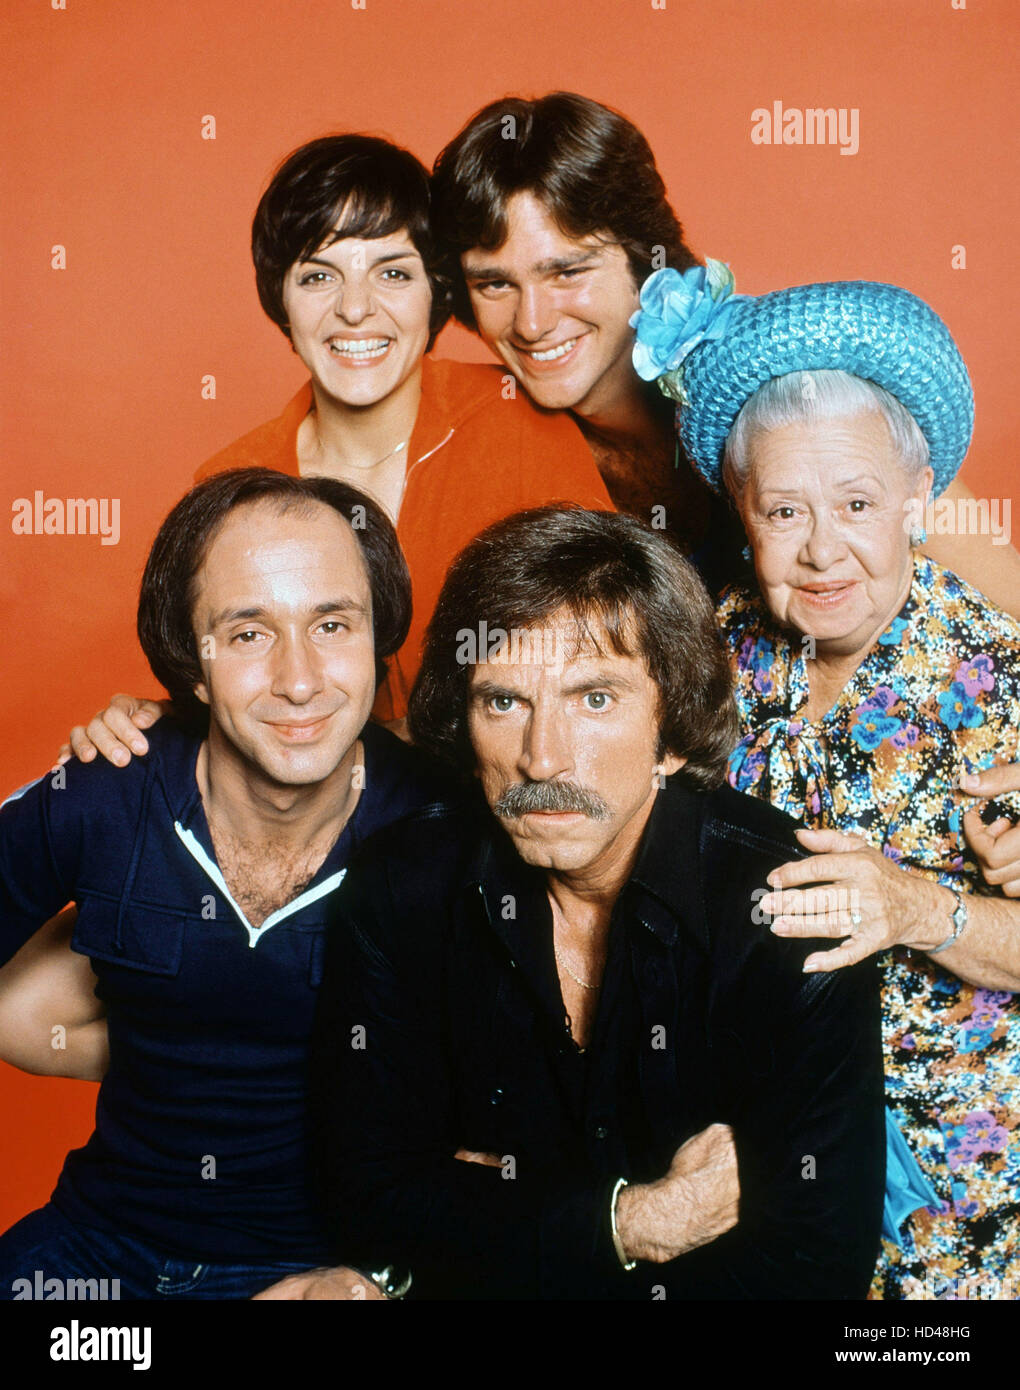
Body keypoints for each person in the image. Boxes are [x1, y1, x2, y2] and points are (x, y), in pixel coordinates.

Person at [289, 506, 886, 1301]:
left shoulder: (787, 906)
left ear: (673, 732)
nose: (544, 756)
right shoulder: (404, 883)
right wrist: (634, 1221)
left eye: (594, 699)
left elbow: (813, 1268)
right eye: (503, 702)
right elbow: (368, 1200)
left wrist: (502, 1212)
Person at [638, 275, 1020, 1299]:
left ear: (917, 496)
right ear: (741, 513)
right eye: (784, 510)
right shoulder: (702, 656)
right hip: (746, 1157)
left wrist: (919, 907)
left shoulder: (997, 676)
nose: (821, 550)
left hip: (959, 1182)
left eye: (856, 504)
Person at [0, 468, 452, 1301]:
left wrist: (379, 1278)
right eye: (248, 634)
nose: (301, 679)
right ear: (192, 667)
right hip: (101, 1253)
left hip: (320, 1272)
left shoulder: (444, 830)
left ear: (377, 638)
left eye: (332, 624)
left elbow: (530, 1122)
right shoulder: (107, 788)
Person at [432, 91, 1020, 617]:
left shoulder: (773, 381)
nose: (532, 322)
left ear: (644, 259)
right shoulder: (492, 432)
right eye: (495, 285)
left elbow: (1009, 597)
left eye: (567, 271)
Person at [183, 133, 611, 725]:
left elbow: (608, 654)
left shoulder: (520, 424)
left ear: (436, 291)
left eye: (392, 273)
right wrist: (152, 719)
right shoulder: (228, 485)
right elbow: (217, 694)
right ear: (279, 296)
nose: (354, 309)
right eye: (318, 277)